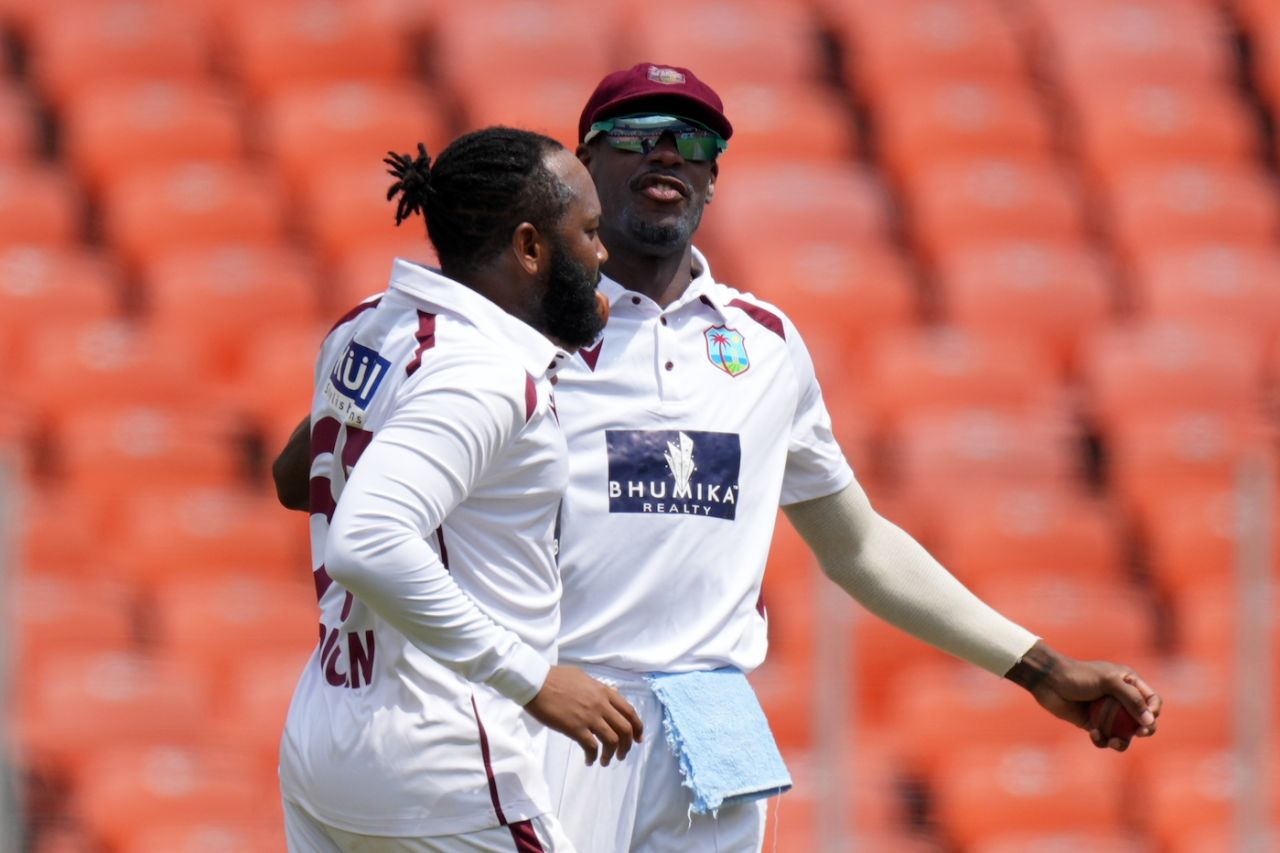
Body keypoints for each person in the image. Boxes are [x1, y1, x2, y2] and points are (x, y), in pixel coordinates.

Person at [275, 66, 1162, 852]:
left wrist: (1040, 666)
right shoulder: (507, 330)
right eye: (635, 135)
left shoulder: (764, 344)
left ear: (714, 174)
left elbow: (855, 544)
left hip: (711, 713)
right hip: (554, 710)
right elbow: (327, 474)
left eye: (693, 139)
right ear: (582, 166)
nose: (667, 152)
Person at [278, 126, 644, 853]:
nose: (604, 257)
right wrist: (533, 678)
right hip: (444, 762)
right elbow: (368, 540)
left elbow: (297, 477)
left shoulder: (368, 326)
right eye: (591, 232)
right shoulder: (483, 373)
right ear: (531, 247)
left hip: (328, 741)